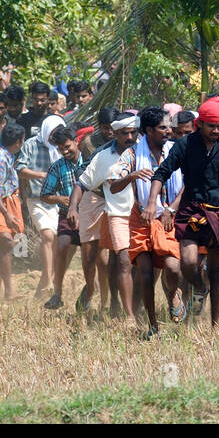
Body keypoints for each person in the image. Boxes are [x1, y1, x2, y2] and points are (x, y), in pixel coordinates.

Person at [148, 97, 219, 326]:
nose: (216, 131)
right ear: (201, 124)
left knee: (217, 270)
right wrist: (152, 201)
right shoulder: (185, 144)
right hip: (191, 210)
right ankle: (200, 287)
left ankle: (216, 325)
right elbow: (162, 172)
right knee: (187, 262)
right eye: (211, 126)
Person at [116, 107, 183, 337]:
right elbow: (113, 184)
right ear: (149, 130)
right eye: (163, 127)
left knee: (173, 268)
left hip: (168, 217)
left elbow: (188, 183)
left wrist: (171, 210)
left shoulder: (176, 150)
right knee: (144, 273)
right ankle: (153, 324)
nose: (168, 131)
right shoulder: (132, 154)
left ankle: (173, 293)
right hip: (142, 218)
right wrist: (131, 176)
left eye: (169, 126)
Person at [70, 114, 138, 319]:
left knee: (141, 264)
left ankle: (138, 304)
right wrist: (73, 207)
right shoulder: (103, 157)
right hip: (117, 214)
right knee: (122, 261)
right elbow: (82, 183)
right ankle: (127, 314)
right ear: (114, 134)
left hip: (144, 215)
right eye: (124, 133)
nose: (130, 136)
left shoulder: (145, 151)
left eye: (133, 132)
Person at [39, 123, 87, 310]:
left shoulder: (89, 161)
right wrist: (59, 198)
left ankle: (92, 289)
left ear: (76, 141)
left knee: (92, 255)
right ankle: (57, 293)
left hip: (89, 214)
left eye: (67, 147)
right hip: (66, 214)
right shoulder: (57, 167)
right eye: (61, 149)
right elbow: (44, 195)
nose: (65, 151)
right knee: (62, 246)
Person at [18, 111, 62, 298]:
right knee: (47, 235)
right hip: (37, 198)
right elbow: (20, 169)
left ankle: (43, 283)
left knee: (55, 241)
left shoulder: (61, 146)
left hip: (58, 200)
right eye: (52, 135)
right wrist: (41, 175)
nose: (54, 139)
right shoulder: (30, 144)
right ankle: (50, 282)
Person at [0, 123, 25, 300]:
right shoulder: (0, 159)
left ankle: (0, 289)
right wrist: (6, 214)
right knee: (6, 242)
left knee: (3, 247)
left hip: (7, 203)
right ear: (19, 142)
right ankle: (7, 290)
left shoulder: (7, 155)